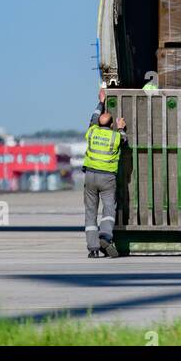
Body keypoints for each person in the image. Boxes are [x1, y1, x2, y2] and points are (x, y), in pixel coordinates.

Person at [83, 106, 126, 258]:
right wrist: (121, 128)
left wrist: (100, 104)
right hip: (107, 178)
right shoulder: (115, 137)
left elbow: (93, 119)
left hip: (90, 176)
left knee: (90, 212)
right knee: (109, 208)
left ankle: (93, 249)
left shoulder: (92, 132)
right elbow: (124, 139)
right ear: (112, 125)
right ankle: (105, 236)